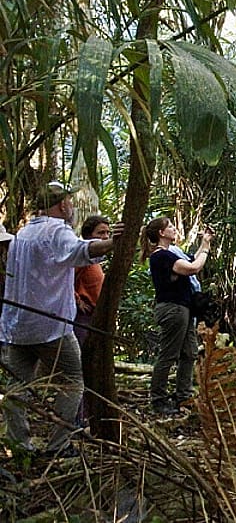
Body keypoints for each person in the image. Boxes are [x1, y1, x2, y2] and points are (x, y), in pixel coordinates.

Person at [0, 181, 124, 457]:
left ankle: (20, 446)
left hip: (18, 325)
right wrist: (112, 243)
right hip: (49, 326)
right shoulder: (56, 230)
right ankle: (59, 444)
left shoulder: (23, 233)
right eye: (68, 201)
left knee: (16, 387)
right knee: (72, 380)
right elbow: (82, 251)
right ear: (63, 204)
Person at [145, 217, 212, 416]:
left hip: (183, 308)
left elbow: (190, 260)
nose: (174, 229)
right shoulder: (160, 256)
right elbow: (193, 268)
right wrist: (206, 251)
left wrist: (205, 242)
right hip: (173, 309)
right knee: (168, 354)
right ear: (161, 233)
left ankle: (184, 395)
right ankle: (158, 399)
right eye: (170, 227)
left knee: (190, 352)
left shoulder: (171, 254)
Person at [73, 215, 110, 425]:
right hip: (83, 317)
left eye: (106, 233)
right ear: (89, 235)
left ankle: (89, 413)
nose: (104, 236)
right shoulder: (84, 252)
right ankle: (79, 417)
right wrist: (76, 298)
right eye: (100, 233)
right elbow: (67, 276)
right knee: (80, 366)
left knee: (93, 366)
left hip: (95, 316)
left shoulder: (97, 258)